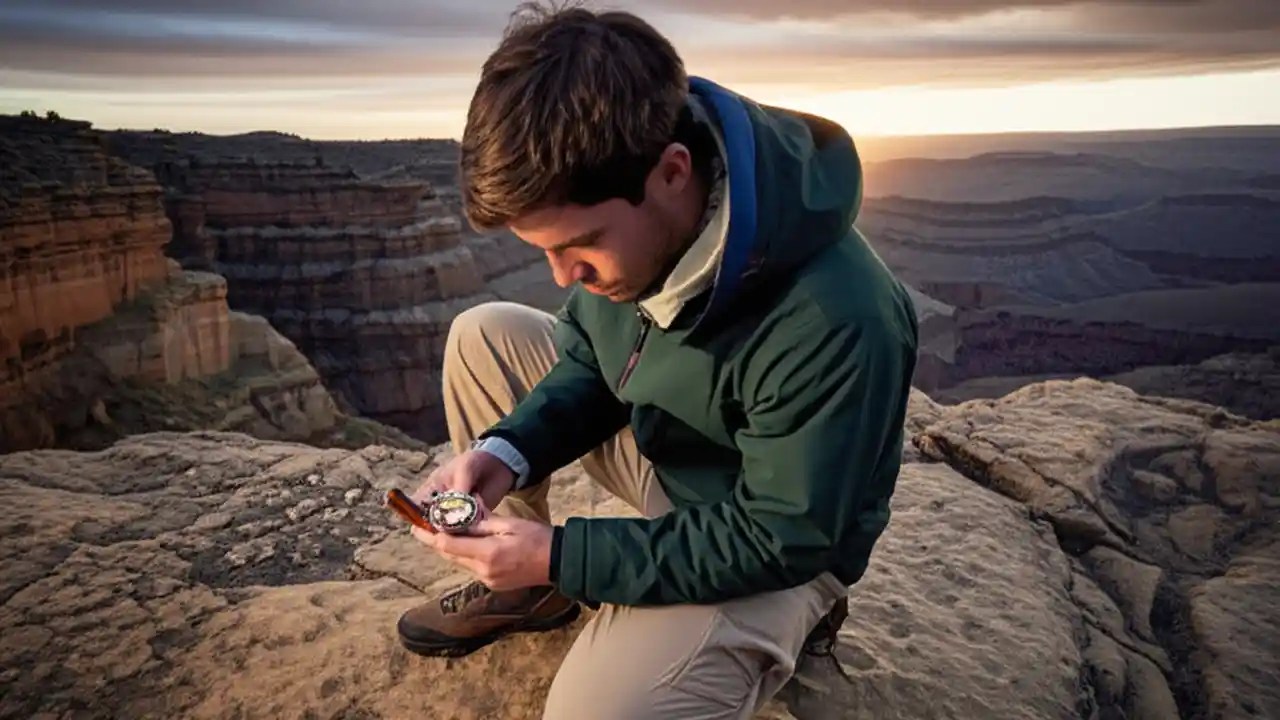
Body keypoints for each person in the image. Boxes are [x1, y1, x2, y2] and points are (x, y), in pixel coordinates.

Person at [397, 2, 919, 717]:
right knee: (483, 332)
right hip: (672, 457)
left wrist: (565, 553)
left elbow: (780, 533)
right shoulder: (642, 236)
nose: (561, 276)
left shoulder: (836, 315)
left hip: (771, 545)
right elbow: (593, 361)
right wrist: (506, 453)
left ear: (673, 173)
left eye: (578, 244)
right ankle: (523, 584)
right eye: (543, 250)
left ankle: (788, 623)